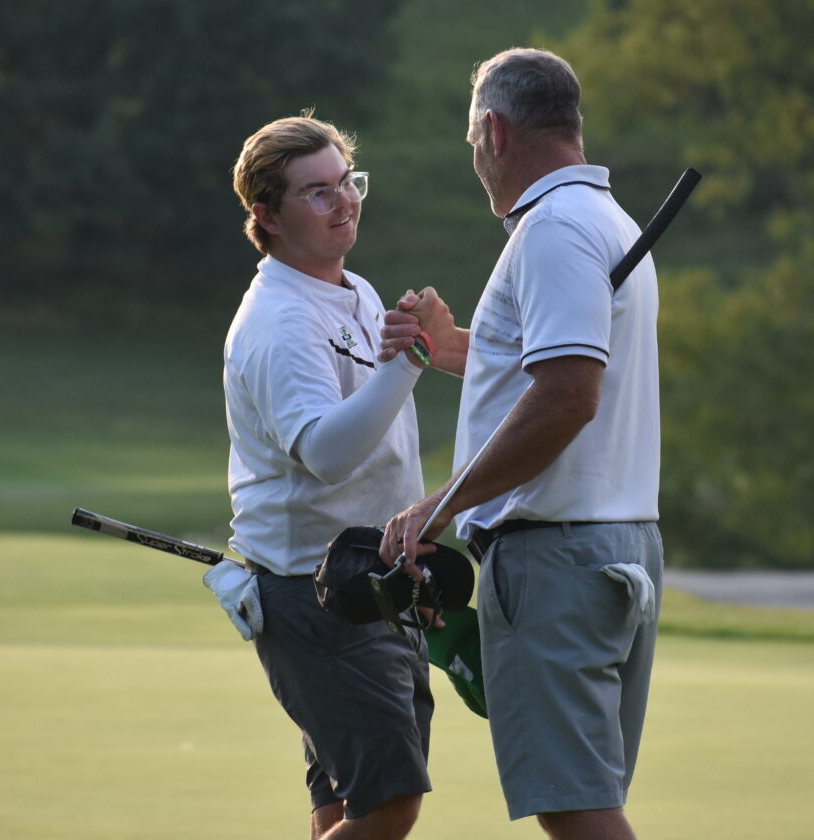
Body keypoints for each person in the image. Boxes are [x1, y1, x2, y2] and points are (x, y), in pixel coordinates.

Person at [379, 49, 664, 840]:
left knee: (577, 809)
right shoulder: (602, 220)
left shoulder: (553, 230)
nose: (473, 155)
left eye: (471, 139)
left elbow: (567, 399)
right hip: (612, 543)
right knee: (584, 800)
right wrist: (453, 348)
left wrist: (444, 501)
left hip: (558, 557)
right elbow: (553, 371)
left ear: (494, 131)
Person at [226, 112, 450, 840]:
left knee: (344, 810)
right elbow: (325, 452)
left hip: (369, 583)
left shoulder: (352, 288)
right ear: (266, 214)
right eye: (316, 193)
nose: (344, 202)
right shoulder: (279, 320)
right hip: (314, 593)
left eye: (347, 183)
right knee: (389, 806)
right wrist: (408, 362)